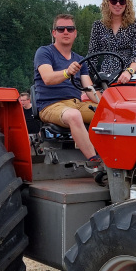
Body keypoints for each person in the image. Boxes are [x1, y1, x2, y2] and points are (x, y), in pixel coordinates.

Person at [33, 14, 104, 173]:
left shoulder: (80, 59)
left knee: (111, 114)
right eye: (61, 29)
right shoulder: (44, 52)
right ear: (54, 33)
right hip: (50, 105)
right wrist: (67, 72)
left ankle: (119, 158)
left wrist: (109, 104)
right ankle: (95, 163)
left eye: (70, 29)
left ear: (75, 33)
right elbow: (48, 78)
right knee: (73, 116)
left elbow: (89, 89)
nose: (66, 32)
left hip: (76, 103)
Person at [87, 0, 136, 87]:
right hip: (106, 80)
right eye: (113, 1)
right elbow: (92, 57)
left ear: (127, 4)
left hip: (130, 78)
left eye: (122, 1)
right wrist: (86, 81)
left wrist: (129, 71)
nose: (117, 4)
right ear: (107, 3)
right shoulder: (98, 26)